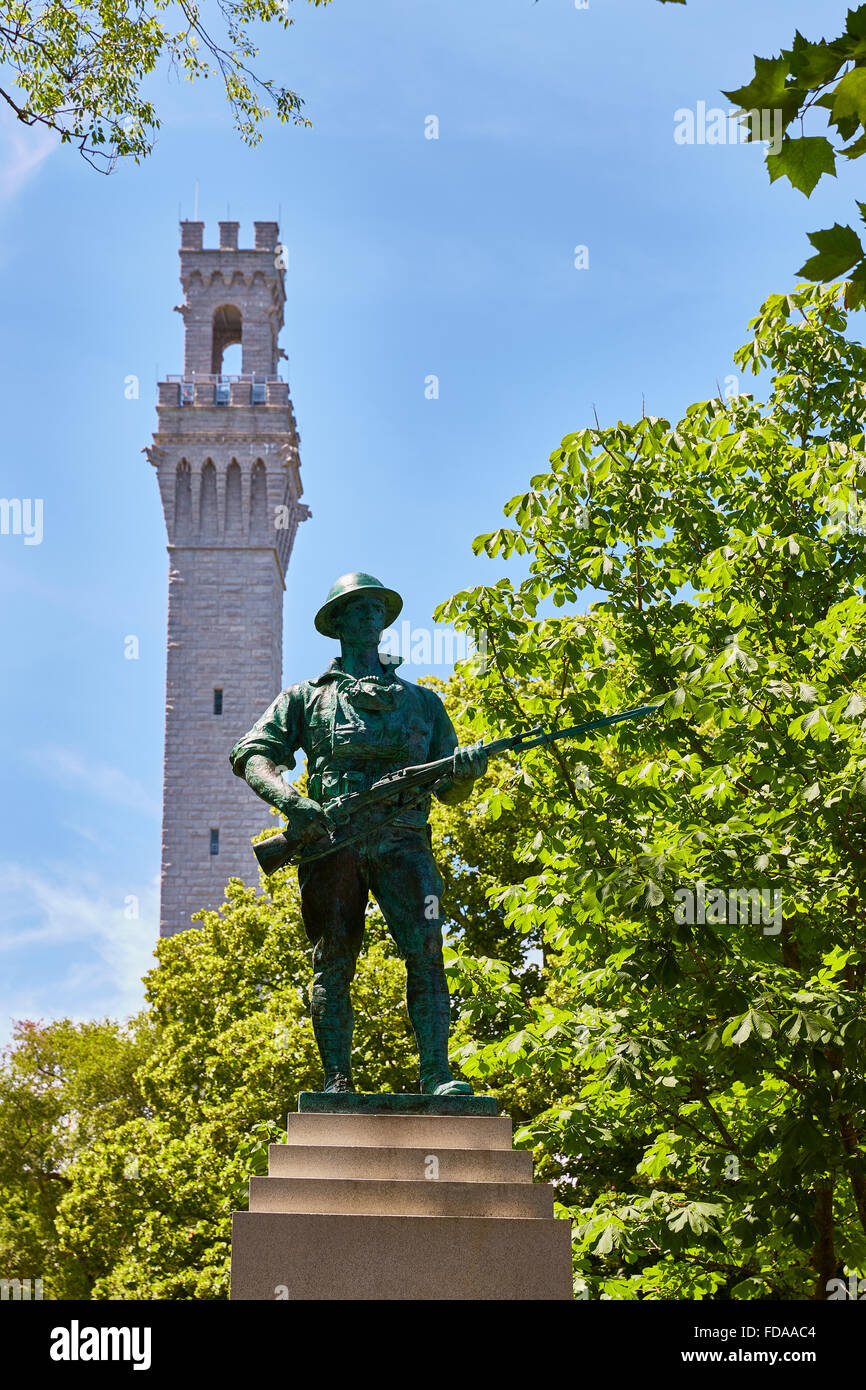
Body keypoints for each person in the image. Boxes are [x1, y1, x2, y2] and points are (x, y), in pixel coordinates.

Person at [229, 572, 488, 1096]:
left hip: (406, 843)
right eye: (358, 608)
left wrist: (465, 771)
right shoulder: (305, 697)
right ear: (338, 623)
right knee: (334, 959)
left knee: (427, 951)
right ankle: (337, 1080)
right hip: (332, 845)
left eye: (377, 608)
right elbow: (252, 754)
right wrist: (293, 803)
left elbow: (449, 793)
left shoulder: (424, 703)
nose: (370, 615)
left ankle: (437, 1074)